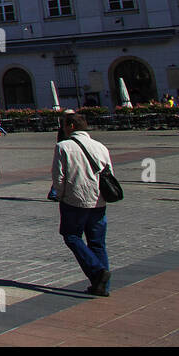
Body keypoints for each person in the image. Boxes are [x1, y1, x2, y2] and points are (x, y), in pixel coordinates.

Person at [50, 112, 114, 296]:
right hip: (98, 200)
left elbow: (59, 177)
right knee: (97, 243)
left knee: (71, 236)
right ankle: (102, 286)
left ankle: (97, 272)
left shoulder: (63, 146)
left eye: (63, 125)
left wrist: (60, 195)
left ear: (70, 126)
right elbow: (109, 173)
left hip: (74, 200)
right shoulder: (100, 146)